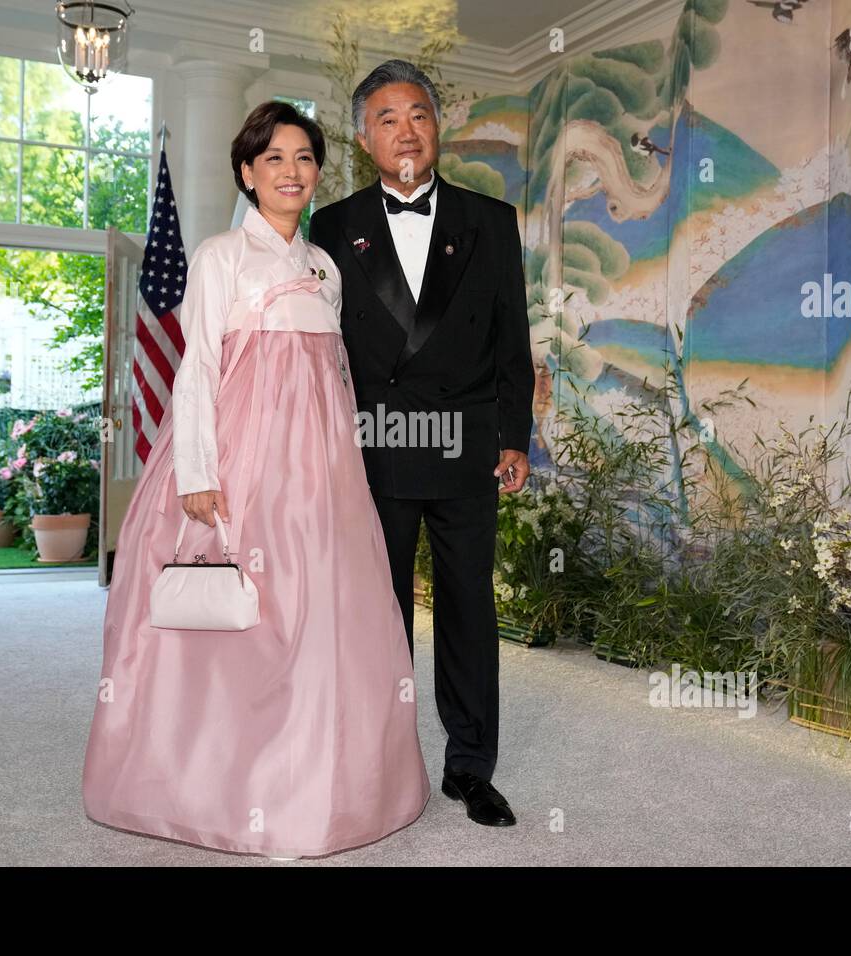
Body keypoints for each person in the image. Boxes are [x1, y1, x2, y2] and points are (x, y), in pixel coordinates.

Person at [83, 101, 430, 859]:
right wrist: (197, 472)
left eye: (304, 158)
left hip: (321, 461)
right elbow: (198, 367)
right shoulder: (219, 256)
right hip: (243, 451)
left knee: (320, 607)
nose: (291, 172)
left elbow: (331, 373)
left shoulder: (323, 267)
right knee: (242, 610)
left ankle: (317, 781)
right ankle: (218, 781)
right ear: (247, 172)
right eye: (274, 158)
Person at [308, 60, 535, 828]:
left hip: (467, 443)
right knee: (382, 612)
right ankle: (381, 761)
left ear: (437, 127)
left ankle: (471, 768)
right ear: (363, 135)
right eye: (387, 118)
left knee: (471, 611)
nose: (405, 130)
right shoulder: (333, 225)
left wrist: (513, 436)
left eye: (418, 115)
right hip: (376, 444)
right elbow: (325, 346)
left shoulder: (491, 220)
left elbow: (512, 340)